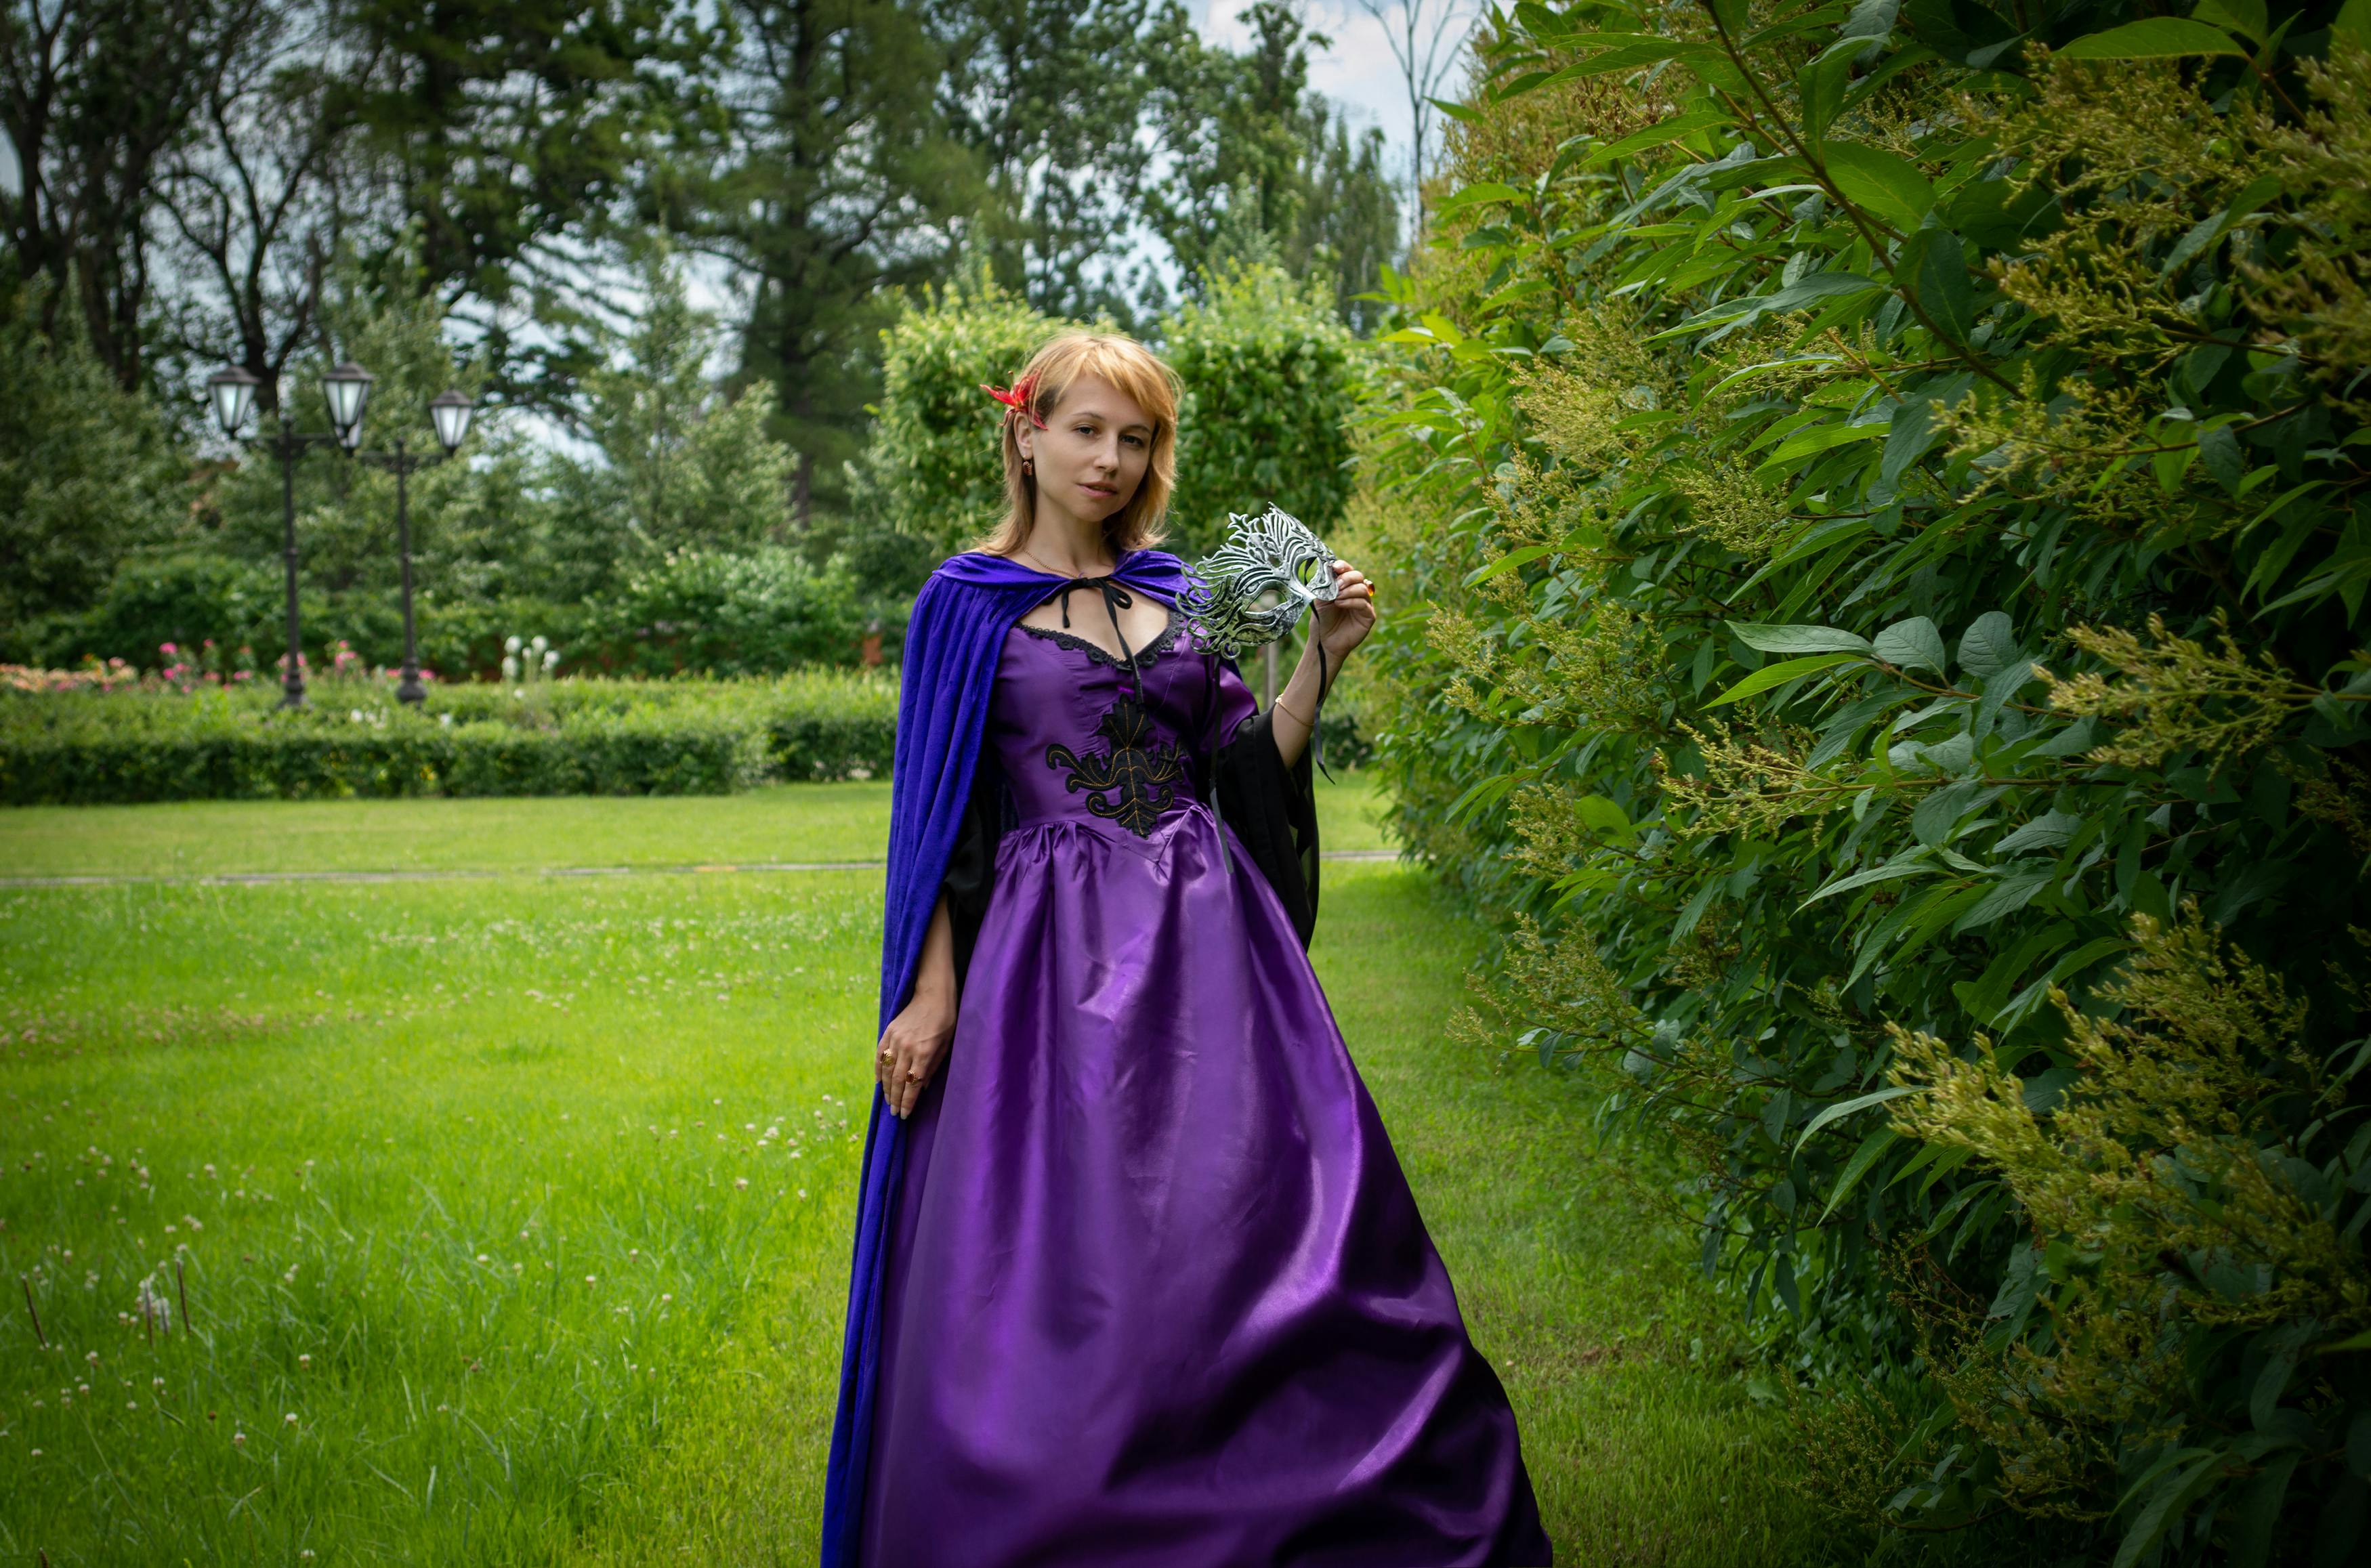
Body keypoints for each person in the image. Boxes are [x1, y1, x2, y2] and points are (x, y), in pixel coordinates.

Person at [821, 331, 1552, 1567]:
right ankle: (1072, 1491)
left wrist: (1321, 660)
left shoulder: (1181, 594)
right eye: (1086, 431)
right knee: (1075, 1241)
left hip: (1215, 950)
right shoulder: (963, 604)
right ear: (1027, 435)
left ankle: (1296, 1470)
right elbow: (940, 817)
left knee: (1247, 1213)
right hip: (1048, 964)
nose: (1110, 460)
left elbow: (1242, 777)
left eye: (1137, 438)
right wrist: (931, 989)